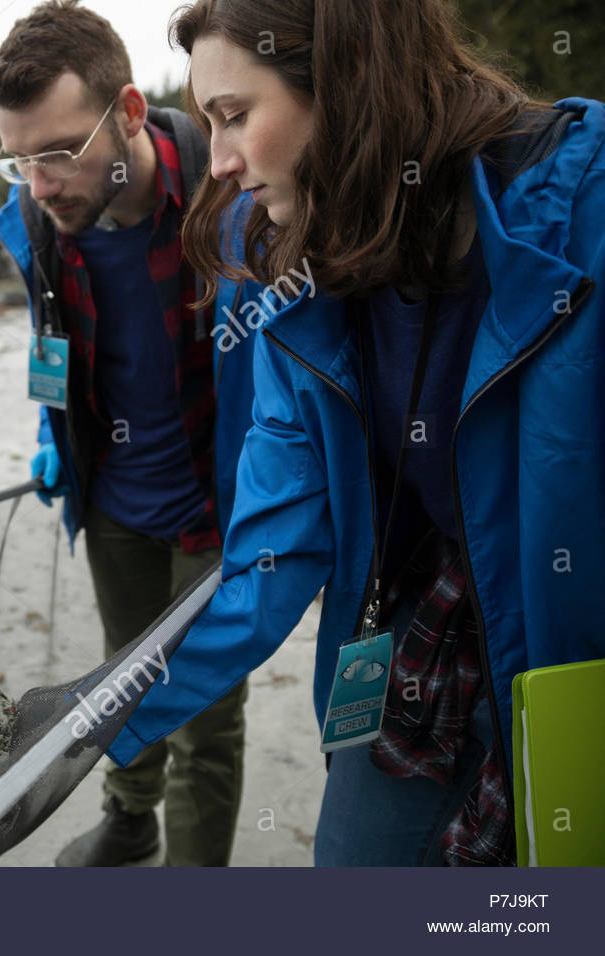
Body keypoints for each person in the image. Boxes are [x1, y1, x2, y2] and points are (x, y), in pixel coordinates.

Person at [112, 0, 604, 866]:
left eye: (234, 116)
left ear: (348, 83)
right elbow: (275, 546)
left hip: (574, 662)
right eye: (205, 123)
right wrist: (100, 716)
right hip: (418, 633)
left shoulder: (586, 207)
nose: (218, 163)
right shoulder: (289, 270)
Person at [0, 0, 257, 867]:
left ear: (129, 112)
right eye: (17, 159)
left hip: (219, 505)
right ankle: (129, 821)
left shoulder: (231, 188)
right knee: (120, 684)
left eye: (58, 152)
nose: (40, 182)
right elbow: (48, 341)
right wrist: (52, 430)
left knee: (207, 714)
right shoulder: (39, 220)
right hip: (113, 503)